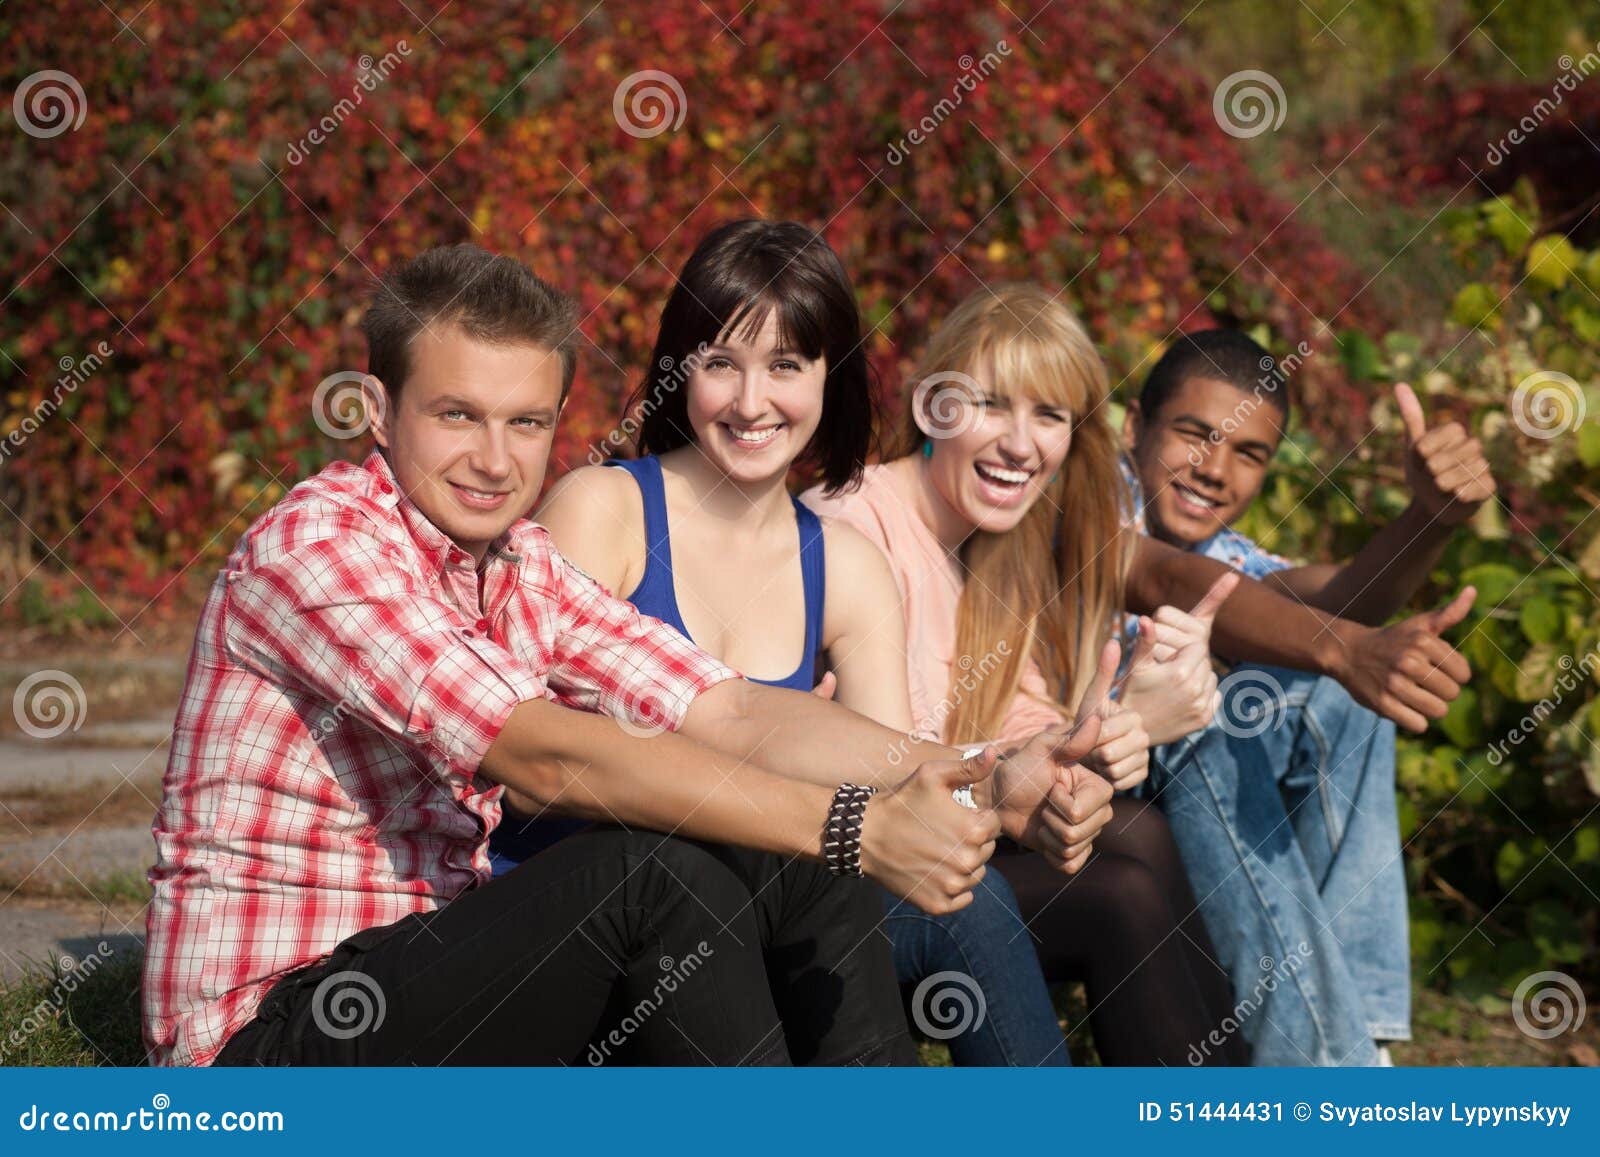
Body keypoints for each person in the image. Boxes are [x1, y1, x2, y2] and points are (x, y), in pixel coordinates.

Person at [141, 243, 1110, 1068]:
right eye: (456, 415)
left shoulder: (516, 563)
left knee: (796, 868)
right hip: (270, 1037)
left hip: (434, 964)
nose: (494, 458)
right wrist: (851, 824)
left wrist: (969, 773)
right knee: (652, 874)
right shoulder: (321, 545)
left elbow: (731, 709)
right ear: (376, 411)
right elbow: (548, 758)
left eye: (526, 422)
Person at [490, 220, 1119, 1065]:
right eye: (720, 363)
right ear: (681, 371)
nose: (753, 402)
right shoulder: (604, 509)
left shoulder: (847, 567)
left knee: (970, 906)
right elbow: (527, 770)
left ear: (831, 377)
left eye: (786, 365)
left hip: (774, 895)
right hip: (606, 917)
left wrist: (1002, 785)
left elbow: (895, 774)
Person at [803, 283, 1251, 1065]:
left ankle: (1236, 1104)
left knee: (1136, 833)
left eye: (1049, 416)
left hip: (948, 834)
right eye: (992, 405)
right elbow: (876, 769)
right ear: (933, 407)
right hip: (844, 867)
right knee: (1120, 896)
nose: (1021, 443)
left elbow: (1016, 722)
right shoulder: (852, 523)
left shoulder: (996, 543)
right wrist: (1018, 781)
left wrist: (1106, 728)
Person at [1119, 327, 1495, 1064]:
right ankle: (1329, 1073)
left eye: (1248, 453)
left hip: (1176, 774)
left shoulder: (1225, 553)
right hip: (1088, 754)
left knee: (1342, 695)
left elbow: (1340, 600)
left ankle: (1363, 1044)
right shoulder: (1088, 499)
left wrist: (1430, 518)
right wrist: (1343, 645)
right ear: (1135, 425)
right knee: (1215, 704)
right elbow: (1166, 583)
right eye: (1195, 434)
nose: (1215, 469)